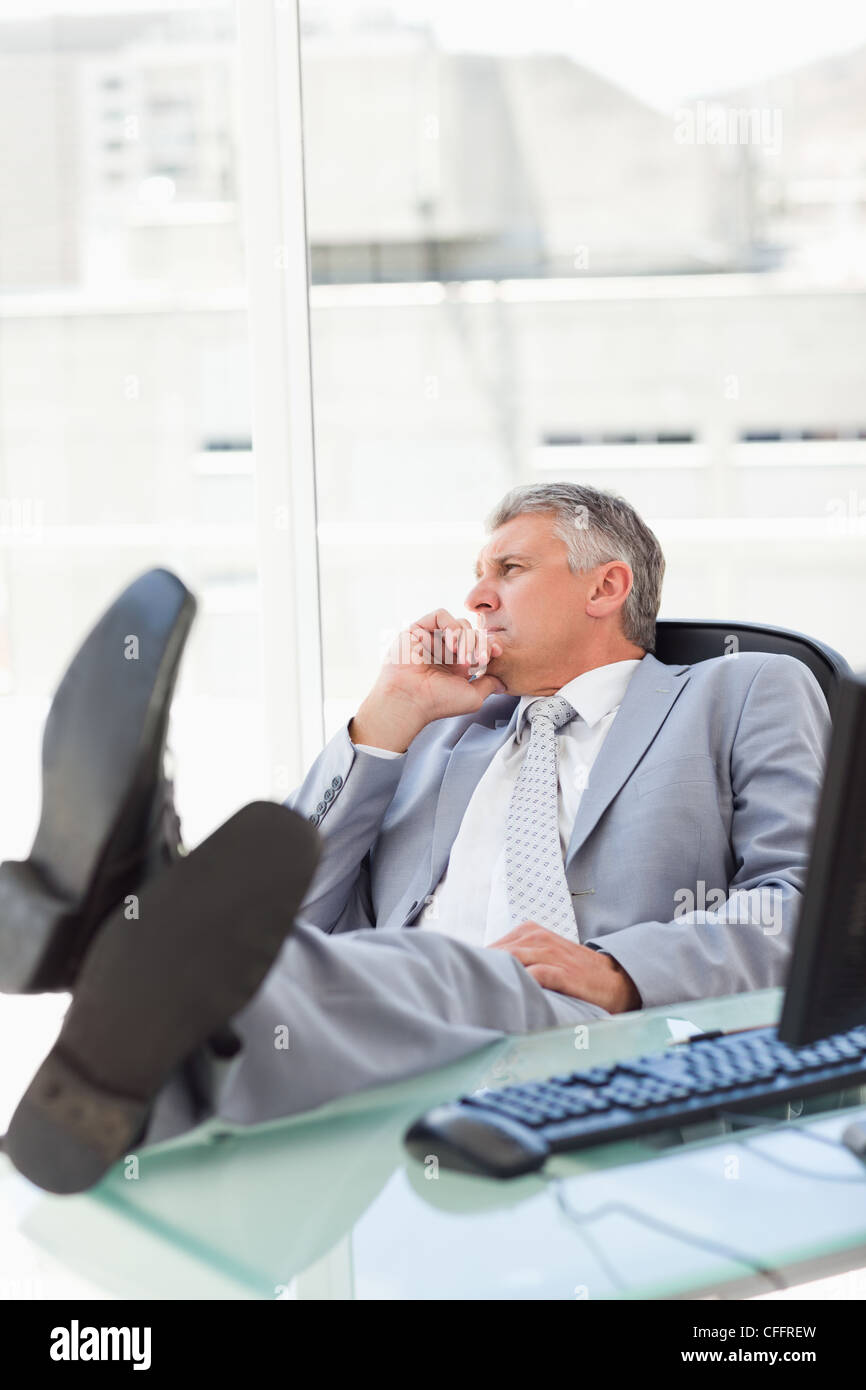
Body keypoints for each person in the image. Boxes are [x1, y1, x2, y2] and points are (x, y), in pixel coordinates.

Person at [0, 482, 831, 1194]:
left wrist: (621, 970)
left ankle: (113, 919)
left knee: (424, 969)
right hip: (392, 1042)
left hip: (587, 1029)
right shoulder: (442, 731)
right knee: (280, 968)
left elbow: (804, 911)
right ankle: (109, 1072)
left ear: (606, 585)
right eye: (475, 576)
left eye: (509, 570)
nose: (475, 597)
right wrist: (387, 719)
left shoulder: (742, 689)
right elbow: (295, 915)